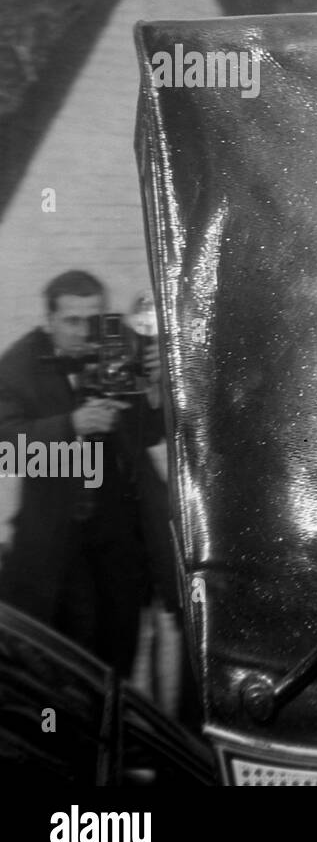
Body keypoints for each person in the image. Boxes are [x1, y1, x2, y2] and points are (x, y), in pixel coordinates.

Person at [0, 271, 173, 675]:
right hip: (55, 538)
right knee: (59, 663)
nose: (84, 332)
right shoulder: (18, 366)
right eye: (72, 321)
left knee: (119, 652)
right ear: (49, 321)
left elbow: (150, 435)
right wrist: (72, 425)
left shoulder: (120, 347)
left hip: (118, 535)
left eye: (93, 319)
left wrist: (156, 389)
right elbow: (6, 450)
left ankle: (114, 734)